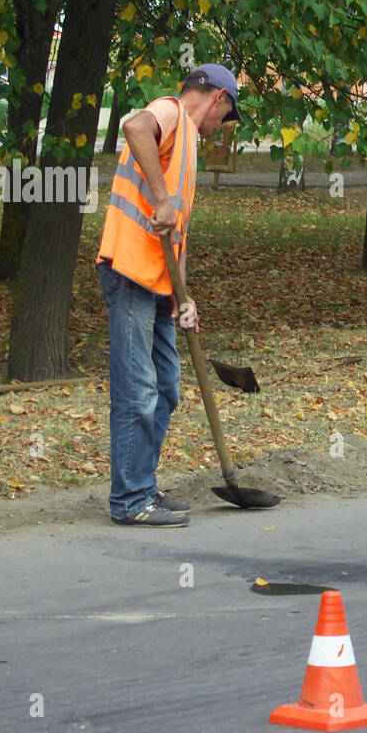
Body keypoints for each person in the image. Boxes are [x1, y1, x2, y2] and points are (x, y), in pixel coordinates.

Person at [95, 64, 242, 525]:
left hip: (158, 282)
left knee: (167, 388)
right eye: (227, 116)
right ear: (217, 98)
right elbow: (134, 125)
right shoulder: (172, 112)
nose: (222, 128)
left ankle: (143, 487)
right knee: (138, 390)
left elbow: (177, 232)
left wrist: (184, 298)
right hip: (130, 272)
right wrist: (159, 198)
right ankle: (131, 501)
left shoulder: (188, 147)